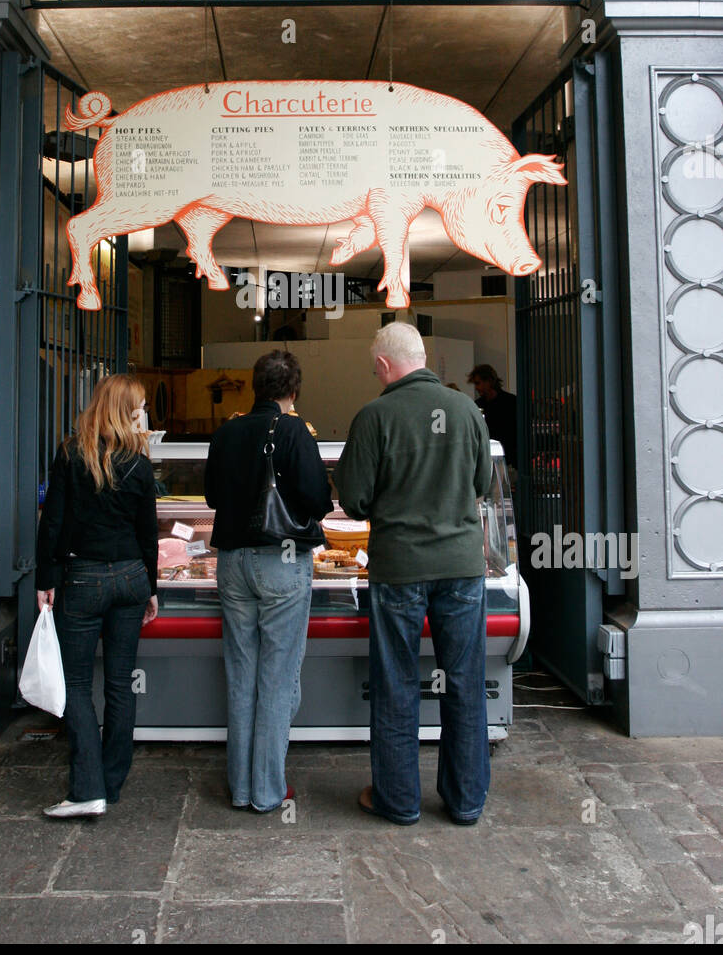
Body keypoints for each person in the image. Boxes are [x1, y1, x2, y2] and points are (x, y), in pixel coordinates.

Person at [335, 323, 492, 826]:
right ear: (421, 357)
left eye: (372, 368)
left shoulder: (375, 416)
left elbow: (354, 501)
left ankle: (398, 801)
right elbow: (482, 484)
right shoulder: (467, 410)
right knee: (465, 683)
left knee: (396, 685)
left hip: (400, 569)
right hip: (463, 568)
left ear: (384, 366)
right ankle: (466, 800)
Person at [205, 350, 332, 813]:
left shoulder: (226, 431)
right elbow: (318, 499)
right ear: (293, 390)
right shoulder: (294, 430)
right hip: (280, 563)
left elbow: (211, 496)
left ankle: (240, 788)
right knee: (277, 679)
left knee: (241, 675)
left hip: (232, 563)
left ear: (254, 386)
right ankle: (266, 791)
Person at [36, 374, 159, 818]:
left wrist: (45, 579)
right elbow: (149, 535)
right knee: (121, 684)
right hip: (130, 578)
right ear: (124, 409)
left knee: (77, 686)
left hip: (83, 579)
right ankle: (110, 782)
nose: (142, 414)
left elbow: (52, 521)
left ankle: (88, 788)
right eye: (139, 406)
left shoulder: (71, 454)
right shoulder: (140, 464)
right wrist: (151, 587)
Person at [468, 364, 517, 470]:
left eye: (478, 383)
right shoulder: (511, 401)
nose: (476, 388)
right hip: (490, 460)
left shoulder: (511, 402)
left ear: (489, 381)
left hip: (508, 460)